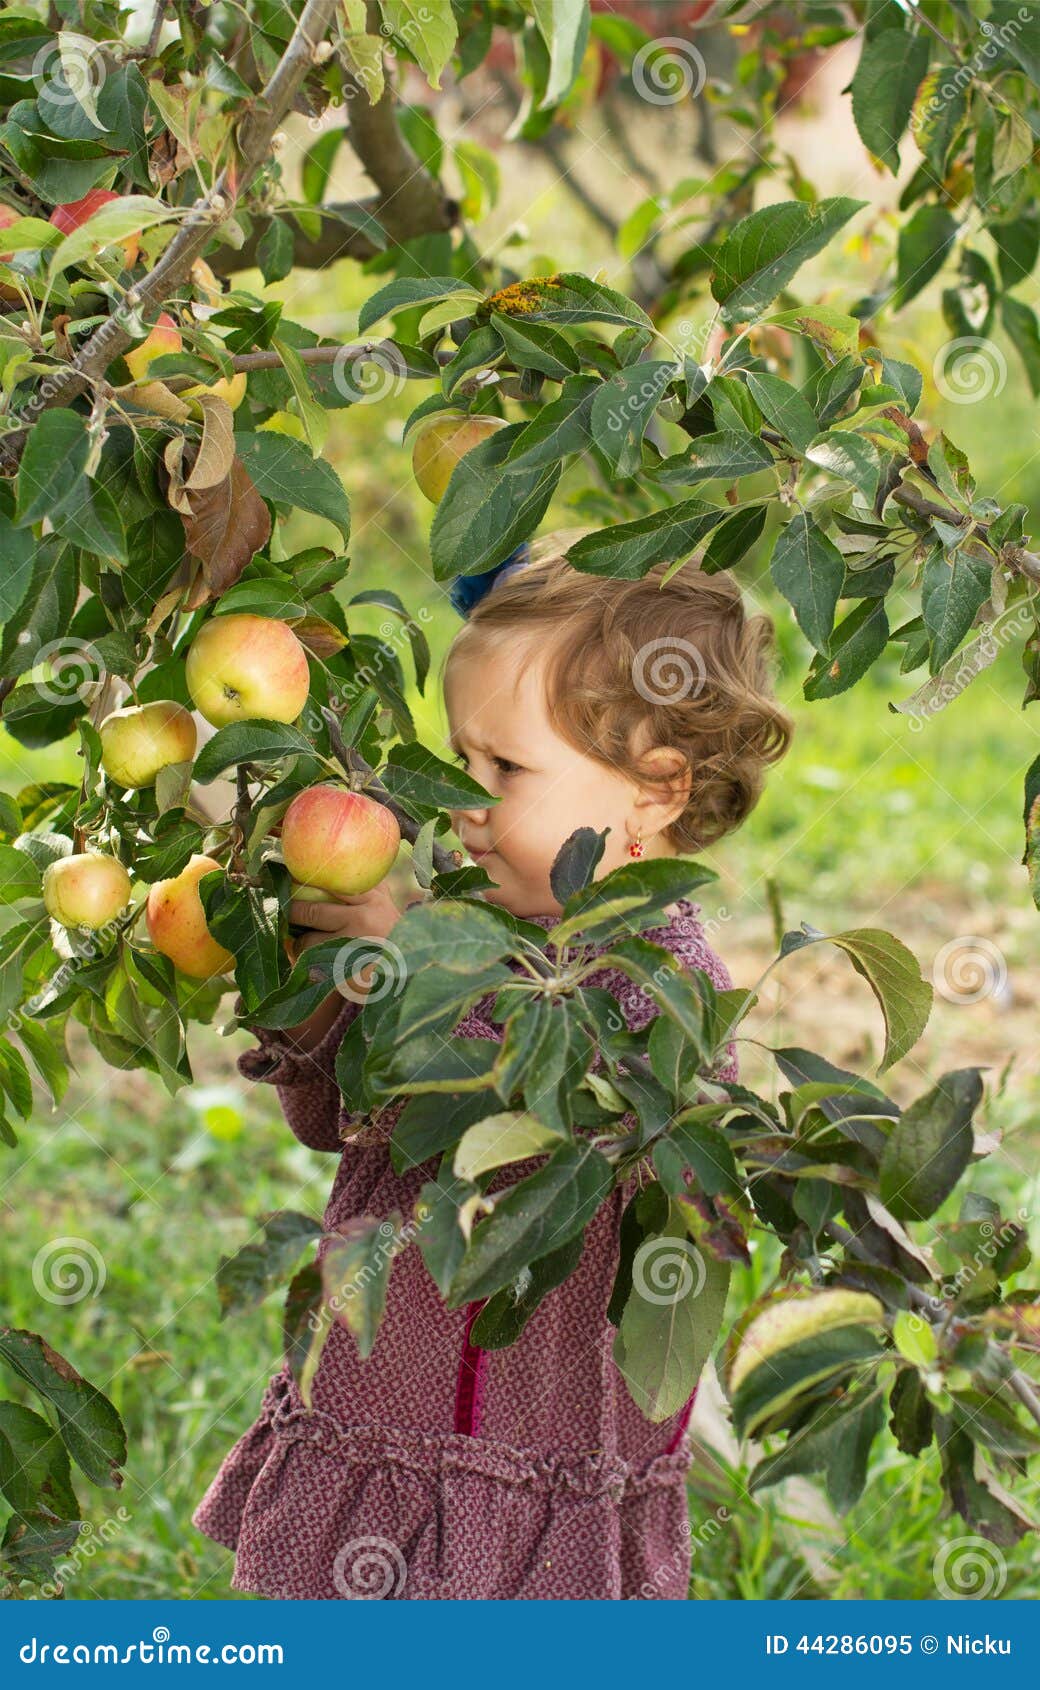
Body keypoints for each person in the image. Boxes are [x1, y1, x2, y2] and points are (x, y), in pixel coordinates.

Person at [191, 531, 793, 1599]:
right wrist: (328, 977)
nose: (462, 802)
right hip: (380, 1408)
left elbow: (535, 1130)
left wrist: (414, 972)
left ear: (655, 791)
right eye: (458, 759)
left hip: (534, 1441)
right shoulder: (462, 926)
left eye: (505, 769)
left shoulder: (665, 987)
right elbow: (342, 1121)